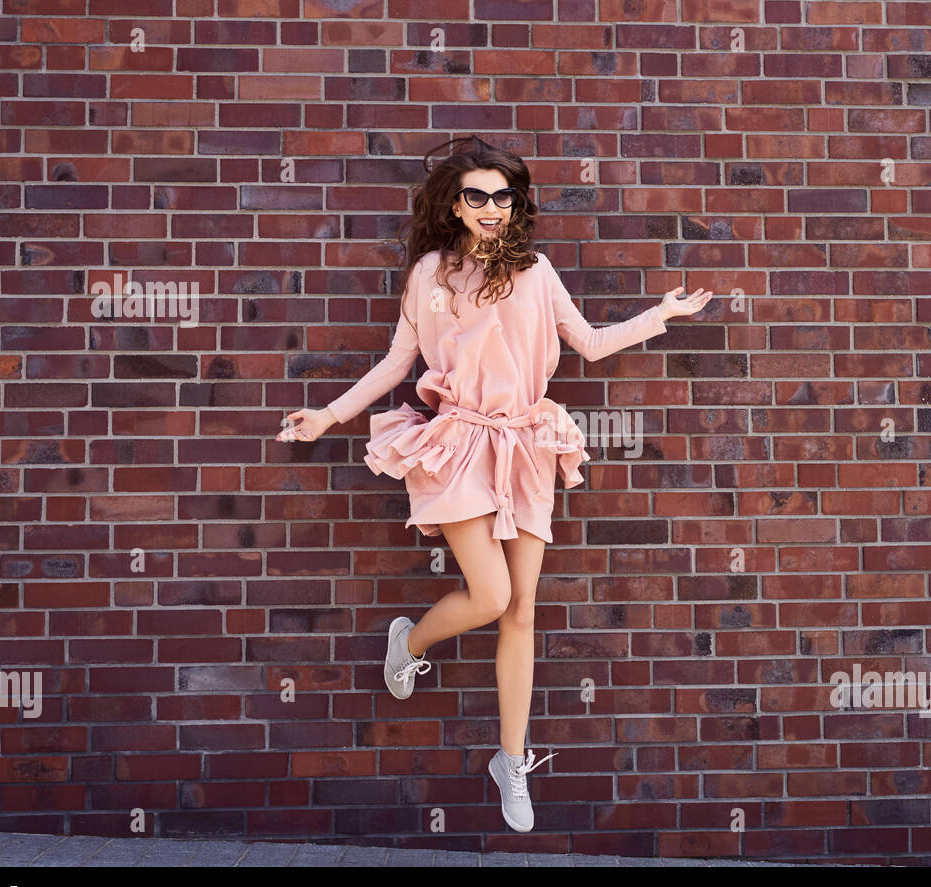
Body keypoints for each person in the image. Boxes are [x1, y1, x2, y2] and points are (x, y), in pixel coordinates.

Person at [276, 135, 713, 832]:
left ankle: (511, 761)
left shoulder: (536, 272)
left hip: (525, 442)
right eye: (475, 195)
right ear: (455, 204)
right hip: (456, 444)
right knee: (493, 593)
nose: (489, 207)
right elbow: (397, 363)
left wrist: (662, 315)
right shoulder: (430, 274)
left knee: (521, 611)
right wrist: (329, 416)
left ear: (515, 205)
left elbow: (590, 344)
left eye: (501, 196)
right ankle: (410, 644)